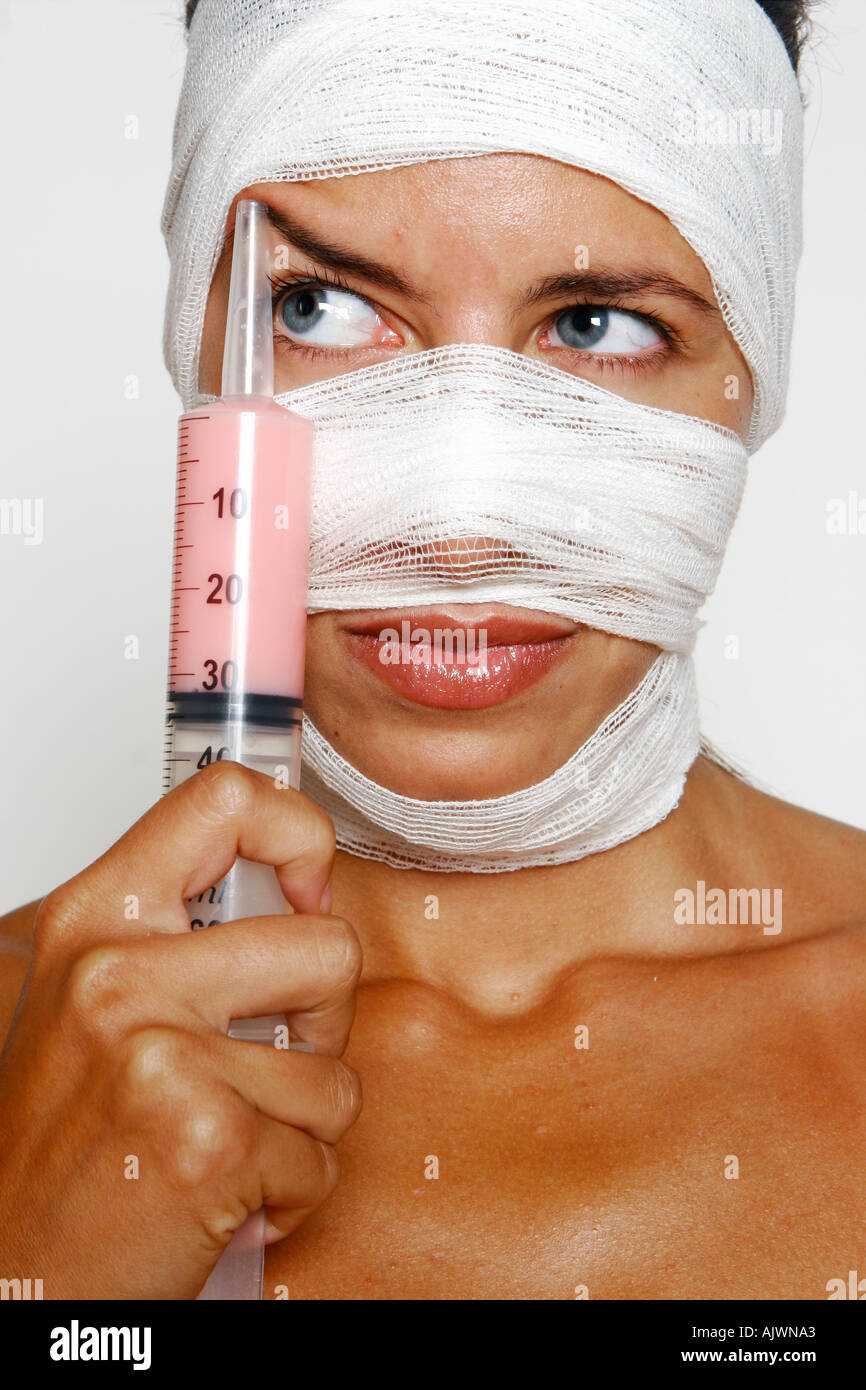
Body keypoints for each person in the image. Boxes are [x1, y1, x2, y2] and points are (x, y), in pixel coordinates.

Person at [2, 0, 865, 1301]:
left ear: (751, 373)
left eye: (594, 327)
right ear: (198, 331)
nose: (459, 535)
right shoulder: (27, 1061)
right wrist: (52, 1289)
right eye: (323, 307)